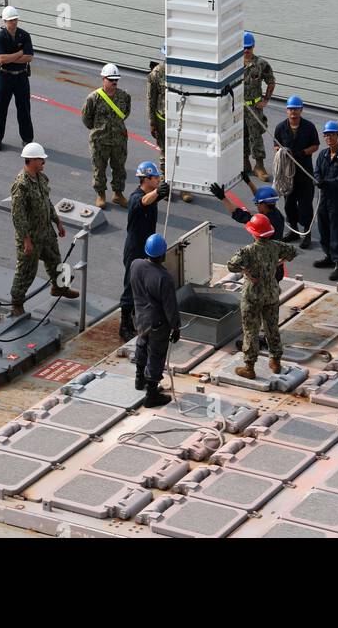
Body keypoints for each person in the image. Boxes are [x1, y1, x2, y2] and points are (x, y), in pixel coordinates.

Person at [9, 142, 79, 317]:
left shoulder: (41, 178)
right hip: (31, 237)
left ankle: (59, 287)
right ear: (31, 160)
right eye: (41, 159)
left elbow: (46, 202)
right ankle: (17, 303)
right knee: (26, 271)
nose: (43, 162)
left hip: (46, 232)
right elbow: (18, 215)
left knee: (55, 260)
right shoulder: (21, 184)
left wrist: (58, 222)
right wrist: (26, 240)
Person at [228, 214, 297, 378]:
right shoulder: (275, 246)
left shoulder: (247, 251)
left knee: (250, 330)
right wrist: (278, 262)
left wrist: (245, 271)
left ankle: (249, 367)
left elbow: (232, 266)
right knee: (272, 328)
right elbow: (293, 252)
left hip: (252, 295)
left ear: (254, 233)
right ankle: (275, 361)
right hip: (271, 293)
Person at [119, 162, 170, 340]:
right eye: (155, 178)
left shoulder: (151, 194)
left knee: (144, 285)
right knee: (130, 286)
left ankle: (135, 316)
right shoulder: (136, 197)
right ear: (146, 179)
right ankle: (124, 324)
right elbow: (144, 201)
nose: (158, 180)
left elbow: (153, 198)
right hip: (135, 249)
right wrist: (158, 192)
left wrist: (163, 191)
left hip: (147, 248)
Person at [130, 233, 181, 408]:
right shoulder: (164, 278)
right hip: (157, 323)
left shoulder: (135, 265)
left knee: (142, 344)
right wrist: (175, 327)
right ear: (163, 255)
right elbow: (170, 306)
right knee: (156, 354)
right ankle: (151, 394)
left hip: (140, 318)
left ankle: (139, 379)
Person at [82, 62, 131, 209]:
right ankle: (101, 194)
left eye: (116, 79)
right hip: (100, 141)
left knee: (119, 168)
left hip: (119, 140)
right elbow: (86, 118)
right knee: (99, 168)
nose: (114, 82)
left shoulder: (124, 96)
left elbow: (126, 113)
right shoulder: (93, 98)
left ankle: (118, 194)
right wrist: (99, 129)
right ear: (103, 78)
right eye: (111, 79)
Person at [273, 94, 320, 248]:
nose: (293, 112)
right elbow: (276, 146)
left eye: (296, 109)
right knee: (289, 204)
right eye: (291, 109)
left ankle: (306, 233)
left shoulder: (309, 127)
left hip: (304, 173)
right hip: (288, 175)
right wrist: (282, 151)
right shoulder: (280, 128)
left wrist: (301, 153)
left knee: (306, 204)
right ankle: (293, 230)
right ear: (287, 111)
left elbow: (315, 145)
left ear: (301, 110)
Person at [147, 46, 192, 202]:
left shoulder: (185, 73)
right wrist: (152, 123)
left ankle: (185, 187)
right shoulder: (156, 74)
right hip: (163, 119)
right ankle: (165, 187)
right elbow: (151, 100)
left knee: (183, 153)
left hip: (181, 119)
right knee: (165, 154)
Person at [313, 121, 338, 282]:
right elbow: (317, 171)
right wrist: (318, 180)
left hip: (336, 200)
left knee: (336, 231)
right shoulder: (323, 154)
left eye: (332, 134)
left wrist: (325, 183)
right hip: (323, 198)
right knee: (323, 228)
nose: (329, 137)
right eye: (326, 135)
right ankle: (328, 256)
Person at [0, 6, 34, 151]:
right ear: (4, 21)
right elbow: (0, 58)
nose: (13, 23)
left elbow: (29, 57)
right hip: (4, 77)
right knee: (0, 108)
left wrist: (9, 58)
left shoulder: (25, 35)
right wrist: (20, 53)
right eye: (10, 20)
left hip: (21, 76)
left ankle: (27, 139)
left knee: (24, 109)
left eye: (15, 20)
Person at [243, 32, 275, 182]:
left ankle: (259, 166)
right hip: (237, 107)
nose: (246, 50)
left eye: (248, 47)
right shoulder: (233, 63)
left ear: (253, 46)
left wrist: (266, 100)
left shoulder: (261, 64)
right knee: (240, 134)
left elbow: (271, 82)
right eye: (243, 48)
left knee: (256, 136)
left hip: (254, 107)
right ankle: (244, 162)